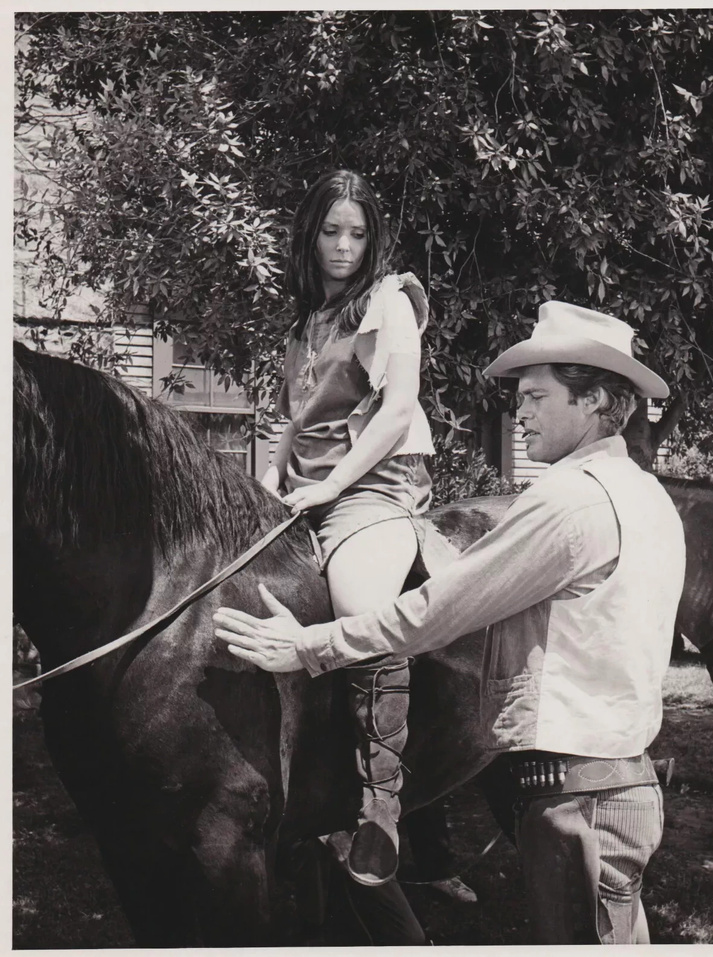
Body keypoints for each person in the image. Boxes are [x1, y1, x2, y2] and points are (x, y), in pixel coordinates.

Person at [214, 301, 687, 944]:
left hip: (576, 799)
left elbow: (439, 610)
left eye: (536, 396)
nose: (519, 413)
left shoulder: (572, 499)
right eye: (519, 398)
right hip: (621, 782)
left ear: (596, 400)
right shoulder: (646, 493)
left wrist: (310, 645)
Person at [258, 169, 436, 887]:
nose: (343, 246)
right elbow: (289, 422)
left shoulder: (389, 301)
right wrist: (267, 483)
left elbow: (398, 410)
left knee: (363, 610)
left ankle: (379, 804)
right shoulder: (304, 325)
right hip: (305, 493)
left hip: (371, 487)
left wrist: (333, 485)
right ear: (311, 235)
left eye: (357, 233)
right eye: (331, 230)